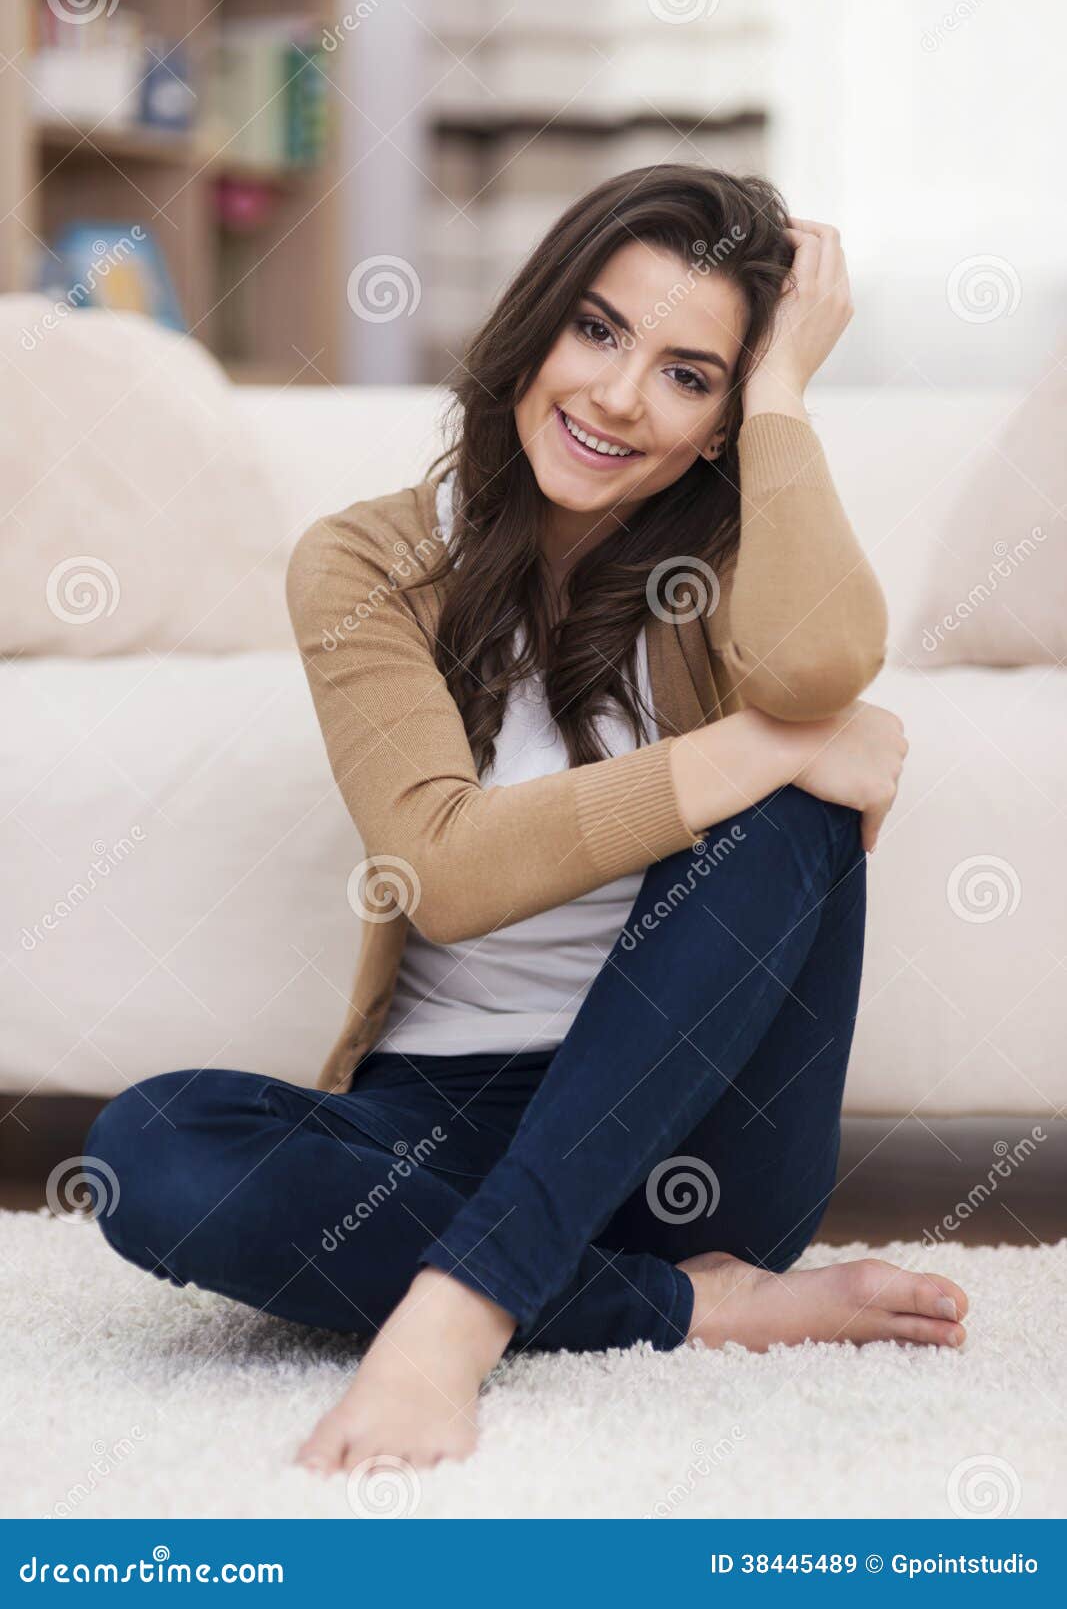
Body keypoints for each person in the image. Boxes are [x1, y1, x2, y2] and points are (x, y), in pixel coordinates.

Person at [85, 166, 968, 1481]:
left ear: (721, 423)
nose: (617, 396)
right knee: (147, 1153)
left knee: (795, 809)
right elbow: (439, 871)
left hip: (696, 1140)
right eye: (598, 330)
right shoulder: (367, 562)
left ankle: (459, 1309)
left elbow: (818, 662)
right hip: (440, 1115)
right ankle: (689, 1308)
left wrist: (783, 394)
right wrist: (766, 745)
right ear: (537, 318)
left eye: (688, 375)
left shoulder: (727, 558)